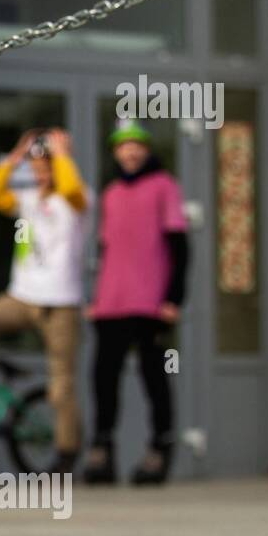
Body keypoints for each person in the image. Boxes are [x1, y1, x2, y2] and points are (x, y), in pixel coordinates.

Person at [0, 128, 89, 475]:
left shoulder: (75, 201)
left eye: (45, 166)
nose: (40, 172)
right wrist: (15, 158)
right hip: (22, 296)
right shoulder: (28, 198)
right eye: (36, 167)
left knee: (61, 387)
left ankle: (65, 453)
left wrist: (61, 154)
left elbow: (73, 188)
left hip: (60, 304)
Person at [84, 119, 190, 486]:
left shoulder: (165, 187)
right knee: (103, 377)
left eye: (136, 145)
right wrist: (95, 296)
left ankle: (159, 448)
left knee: (153, 377)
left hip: (149, 301)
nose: (129, 152)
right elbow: (105, 249)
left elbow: (180, 247)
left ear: (146, 149)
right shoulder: (111, 193)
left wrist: (174, 297)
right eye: (122, 146)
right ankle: (103, 449)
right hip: (111, 301)